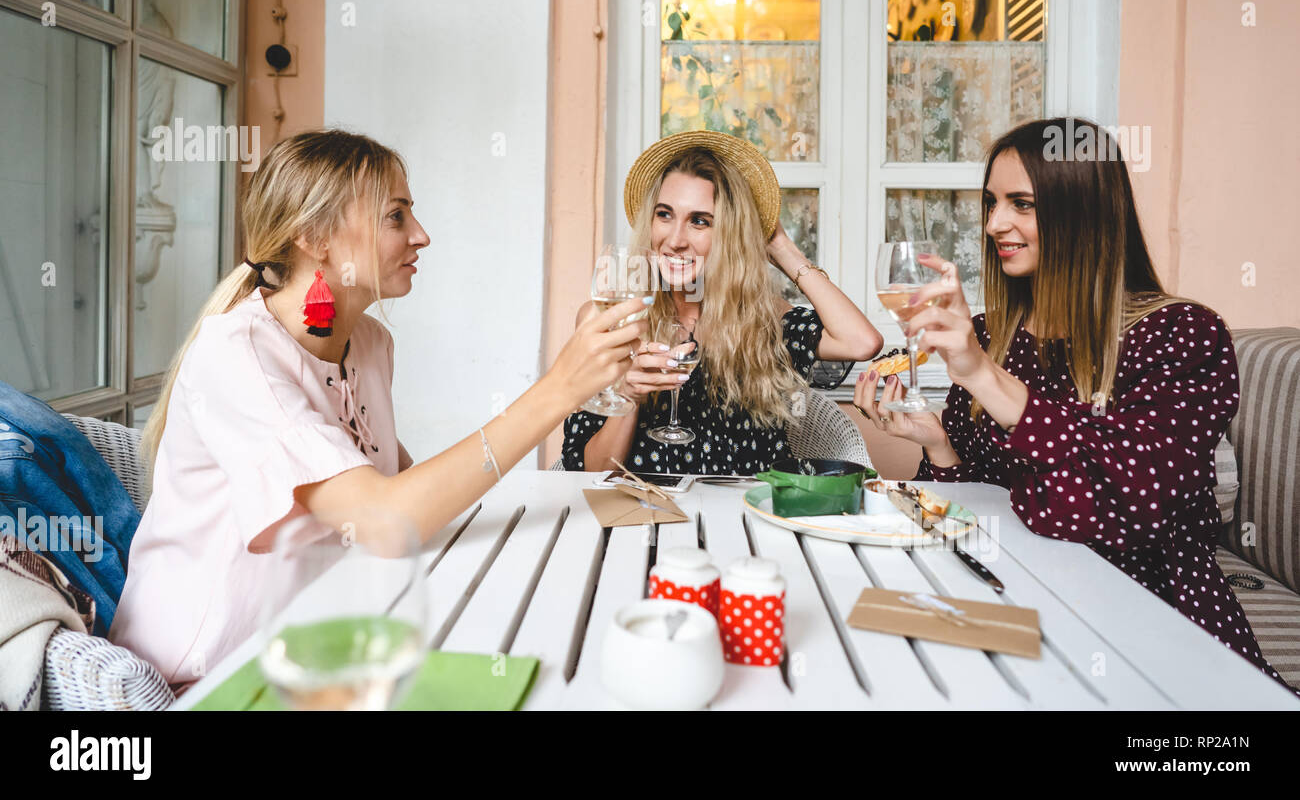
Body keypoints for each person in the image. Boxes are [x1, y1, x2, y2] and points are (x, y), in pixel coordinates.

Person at [109, 130, 647, 688]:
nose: (421, 235)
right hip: (208, 677)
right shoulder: (237, 355)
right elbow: (389, 521)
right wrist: (559, 390)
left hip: (327, 638)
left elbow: (404, 489)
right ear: (314, 235)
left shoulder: (368, 343)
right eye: (396, 216)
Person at [853, 116, 1291, 690]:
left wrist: (987, 379)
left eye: (1021, 204)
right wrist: (938, 444)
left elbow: (1121, 503)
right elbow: (986, 507)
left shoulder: (1180, 334)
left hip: (1154, 624)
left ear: (1084, 213)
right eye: (991, 204)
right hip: (1026, 599)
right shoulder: (991, 334)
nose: (994, 224)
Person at [564, 131, 882, 475]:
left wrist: (780, 248)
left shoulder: (761, 316)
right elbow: (591, 473)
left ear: (730, 233)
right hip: (646, 519)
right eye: (664, 215)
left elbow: (862, 342)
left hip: (748, 519)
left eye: (699, 221)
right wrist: (630, 394)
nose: (674, 240)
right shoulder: (610, 320)